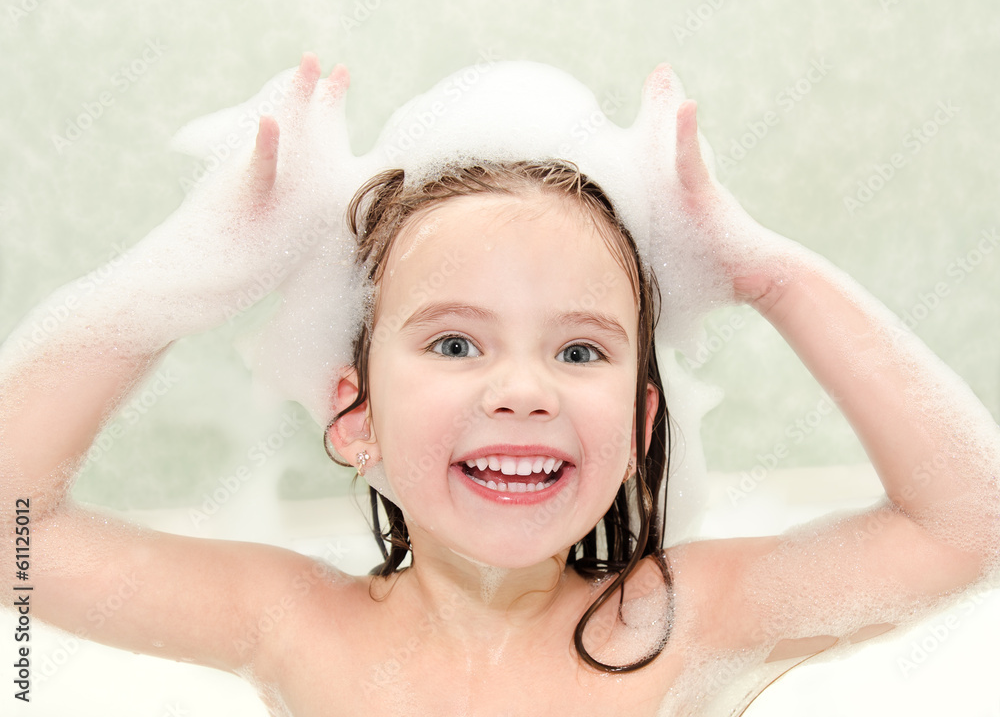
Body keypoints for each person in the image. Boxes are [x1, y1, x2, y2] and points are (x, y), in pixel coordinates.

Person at [2, 54, 997, 716]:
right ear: (354, 416)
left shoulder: (681, 623)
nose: (523, 390)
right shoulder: (296, 622)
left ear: (643, 420)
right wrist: (178, 277)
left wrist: (768, 273)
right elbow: (18, 535)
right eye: (453, 346)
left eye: (579, 353)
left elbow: (964, 526)